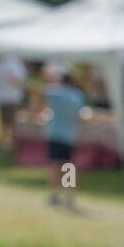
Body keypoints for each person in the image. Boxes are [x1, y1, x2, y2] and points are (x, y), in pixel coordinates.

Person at [41, 63, 86, 207]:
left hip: (55, 133)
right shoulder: (78, 95)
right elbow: (79, 117)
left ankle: (54, 194)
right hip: (69, 135)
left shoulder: (56, 92)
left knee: (53, 165)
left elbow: (39, 90)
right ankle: (69, 195)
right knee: (69, 166)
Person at [0, 52, 28, 150]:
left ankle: (4, 144)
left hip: (2, 97)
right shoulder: (18, 65)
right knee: (14, 123)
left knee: (4, 123)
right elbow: (19, 82)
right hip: (14, 98)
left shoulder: (0, 65)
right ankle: (14, 145)